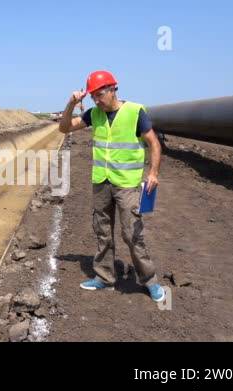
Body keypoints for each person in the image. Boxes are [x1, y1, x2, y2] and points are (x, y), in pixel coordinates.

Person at [58, 70, 166, 302]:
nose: (96, 100)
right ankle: (105, 277)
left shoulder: (135, 112)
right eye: (93, 96)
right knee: (102, 231)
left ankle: (150, 281)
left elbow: (154, 143)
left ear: (113, 89)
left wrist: (154, 173)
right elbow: (64, 128)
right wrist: (70, 104)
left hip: (126, 184)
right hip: (101, 182)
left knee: (132, 234)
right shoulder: (93, 114)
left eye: (100, 95)